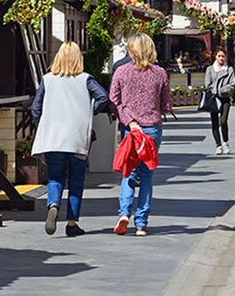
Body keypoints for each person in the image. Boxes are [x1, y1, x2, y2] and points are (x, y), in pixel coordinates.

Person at [31, 42, 110, 237]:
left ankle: (53, 204)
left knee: (55, 177)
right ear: (78, 59)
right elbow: (103, 97)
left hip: (53, 138)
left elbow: (36, 108)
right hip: (77, 138)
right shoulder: (86, 80)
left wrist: (42, 125)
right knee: (76, 180)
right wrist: (88, 113)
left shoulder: (47, 79)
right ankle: (72, 223)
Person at [109, 33, 173, 237]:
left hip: (131, 130)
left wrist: (130, 121)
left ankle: (124, 213)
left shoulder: (121, 72)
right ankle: (141, 223)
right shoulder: (160, 73)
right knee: (147, 176)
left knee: (129, 172)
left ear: (132, 51)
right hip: (152, 129)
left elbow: (113, 101)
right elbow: (167, 104)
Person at [204, 48, 235, 155]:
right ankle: (218, 145)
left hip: (224, 98)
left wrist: (221, 90)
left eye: (223, 56)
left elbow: (232, 84)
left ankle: (225, 143)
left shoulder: (229, 70)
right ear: (215, 57)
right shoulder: (210, 69)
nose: (221, 58)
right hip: (214, 98)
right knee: (214, 122)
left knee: (223, 120)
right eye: (219, 56)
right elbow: (207, 84)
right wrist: (215, 91)